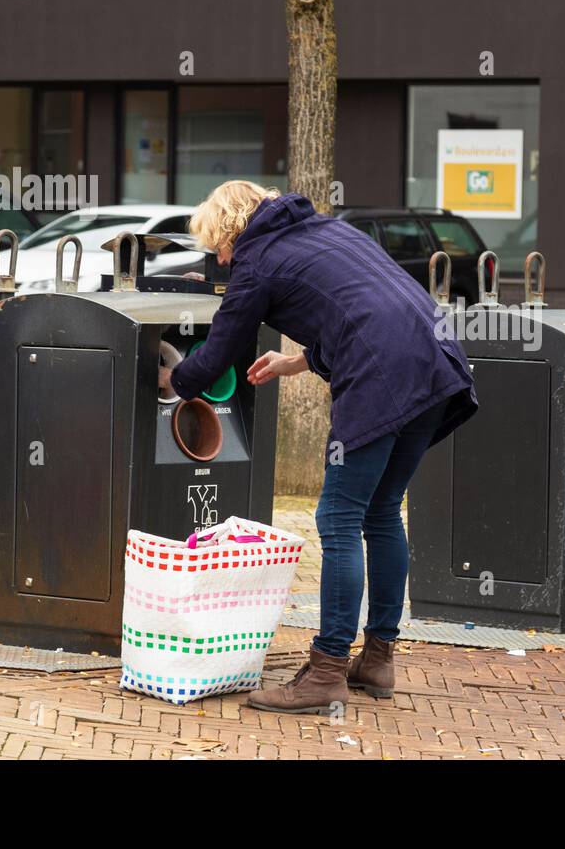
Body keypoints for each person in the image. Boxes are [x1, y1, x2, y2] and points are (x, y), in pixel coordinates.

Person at [159, 181, 477, 714]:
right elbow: (365, 308)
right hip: (437, 364)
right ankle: (377, 658)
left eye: (216, 244)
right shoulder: (329, 229)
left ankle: (327, 670)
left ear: (229, 230)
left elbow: (220, 349)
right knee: (380, 512)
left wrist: (176, 380)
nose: (218, 257)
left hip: (383, 377)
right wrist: (296, 361)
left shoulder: (256, 260)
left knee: (337, 518)